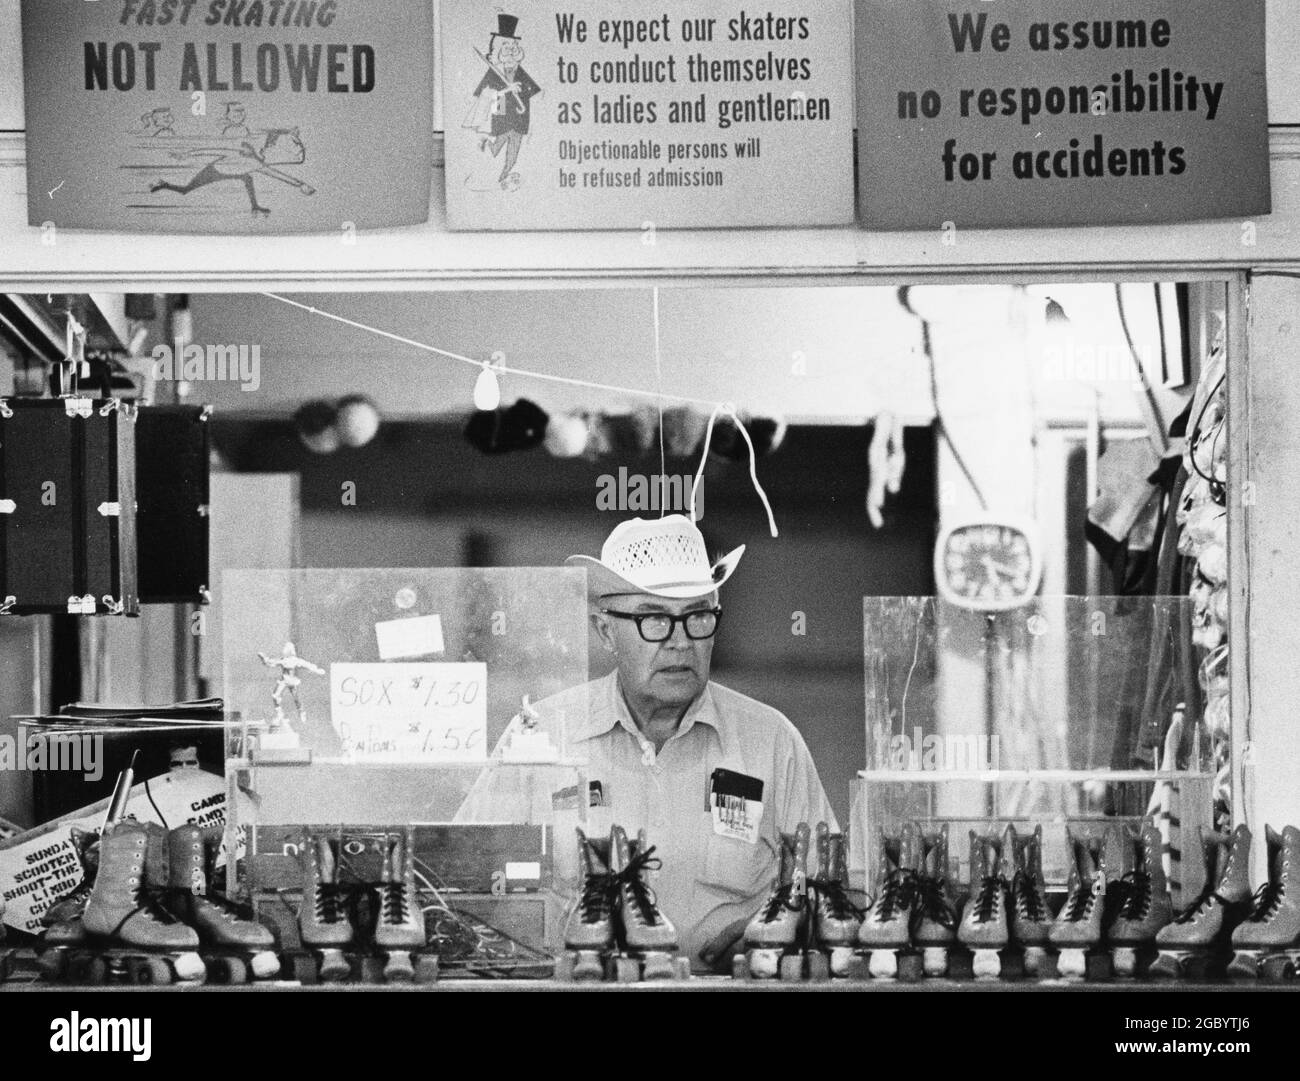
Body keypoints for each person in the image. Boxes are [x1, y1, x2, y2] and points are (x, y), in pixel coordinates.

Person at [457, 515, 835, 971]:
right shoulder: (538, 734)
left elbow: (829, 891)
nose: (680, 642)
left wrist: (785, 926)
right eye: (655, 619)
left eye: (697, 617)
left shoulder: (772, 743)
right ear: (604, 631)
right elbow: (464, 885)